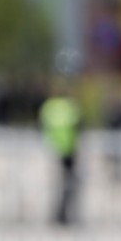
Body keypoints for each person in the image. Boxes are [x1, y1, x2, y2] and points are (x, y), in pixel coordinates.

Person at [39, 91, 82, 226]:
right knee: (67, 186)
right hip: (68, 152)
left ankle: (57, 216)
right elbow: (78, 127)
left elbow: (42, 125)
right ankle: (63, 216)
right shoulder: (71, 107)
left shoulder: (49, 106)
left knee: (57, 187)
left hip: (51, 150)